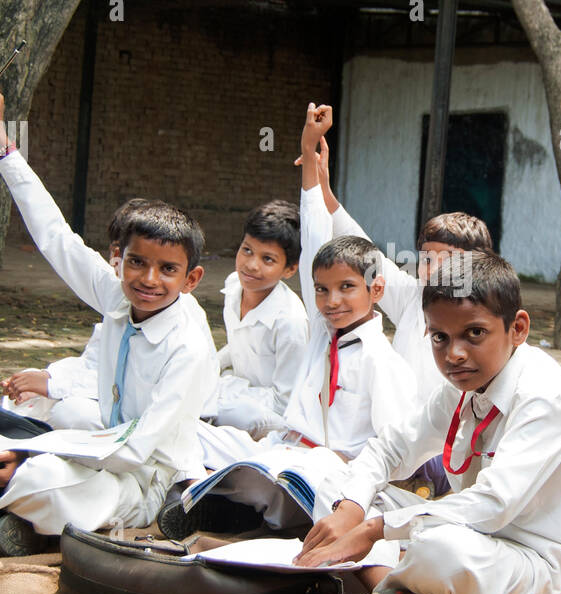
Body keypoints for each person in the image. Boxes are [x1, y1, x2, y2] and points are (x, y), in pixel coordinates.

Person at [294, 251, 561, 594]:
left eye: (474, 334)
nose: (454, 354)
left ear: (517, 329)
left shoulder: (543, 396)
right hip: (480, 535)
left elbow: (494, 504)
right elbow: (390, 447)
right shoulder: (461, 389)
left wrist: (376, 529)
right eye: (440, 337)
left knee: (440, 548)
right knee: (337, 485)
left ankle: (406, 592)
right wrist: (351, 511)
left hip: (544, 567)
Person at [0, 81, 217, 556]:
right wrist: (0, 141)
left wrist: (30, 455)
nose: (148, 279)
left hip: (144, 473)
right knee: (38, 415)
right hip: (103, 440)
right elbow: (55, 237)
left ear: (191, 279)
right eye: (137, 263)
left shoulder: (188, 346)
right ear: (118, 259)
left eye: (168, 270)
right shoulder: (120, 294)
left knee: (40, 474)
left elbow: (137, 450)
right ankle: (33, 509)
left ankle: (39, 507)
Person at [155, 106, 415, 539]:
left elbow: (395, 453)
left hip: (330, 471)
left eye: (347, 288)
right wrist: (309, 158)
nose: (332, 302)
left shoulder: (383, 362)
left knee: (289, 478)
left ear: (376, 290)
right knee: (184, 431)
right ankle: (212, 500)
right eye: (322, 290)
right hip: (280, 448)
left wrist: (354, 478)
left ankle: (227, 507)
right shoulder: (323, 333)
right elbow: (314, 235)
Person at [301, 111, 493, 396]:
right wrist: (324, 189)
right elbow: (359, 242)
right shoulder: (413, 297)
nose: (433, 268)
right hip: (397, 426)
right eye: (427, 259)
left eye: (448, 260)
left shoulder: (485, 321)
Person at [1, 198, 157, 431]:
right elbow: (93, 363)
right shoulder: (120, 296)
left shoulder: (173, 312)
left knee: (71, 413)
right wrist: (45, 378)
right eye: (123, 256)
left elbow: (135, 385)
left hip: (146, 423)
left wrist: (53, 386)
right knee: (29, 387)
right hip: (105, 401)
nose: (118, 264)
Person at [212, 199, 309, 434]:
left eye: (268, 259)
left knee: (241, 415)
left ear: (290, 269)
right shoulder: (233, 286)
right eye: (247, 250)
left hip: (269, 414)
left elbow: (283, 403)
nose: (251, 265)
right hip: (235, 390)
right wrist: (208, 368)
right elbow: (236, 345)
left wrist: (228, 388)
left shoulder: (290, 323)